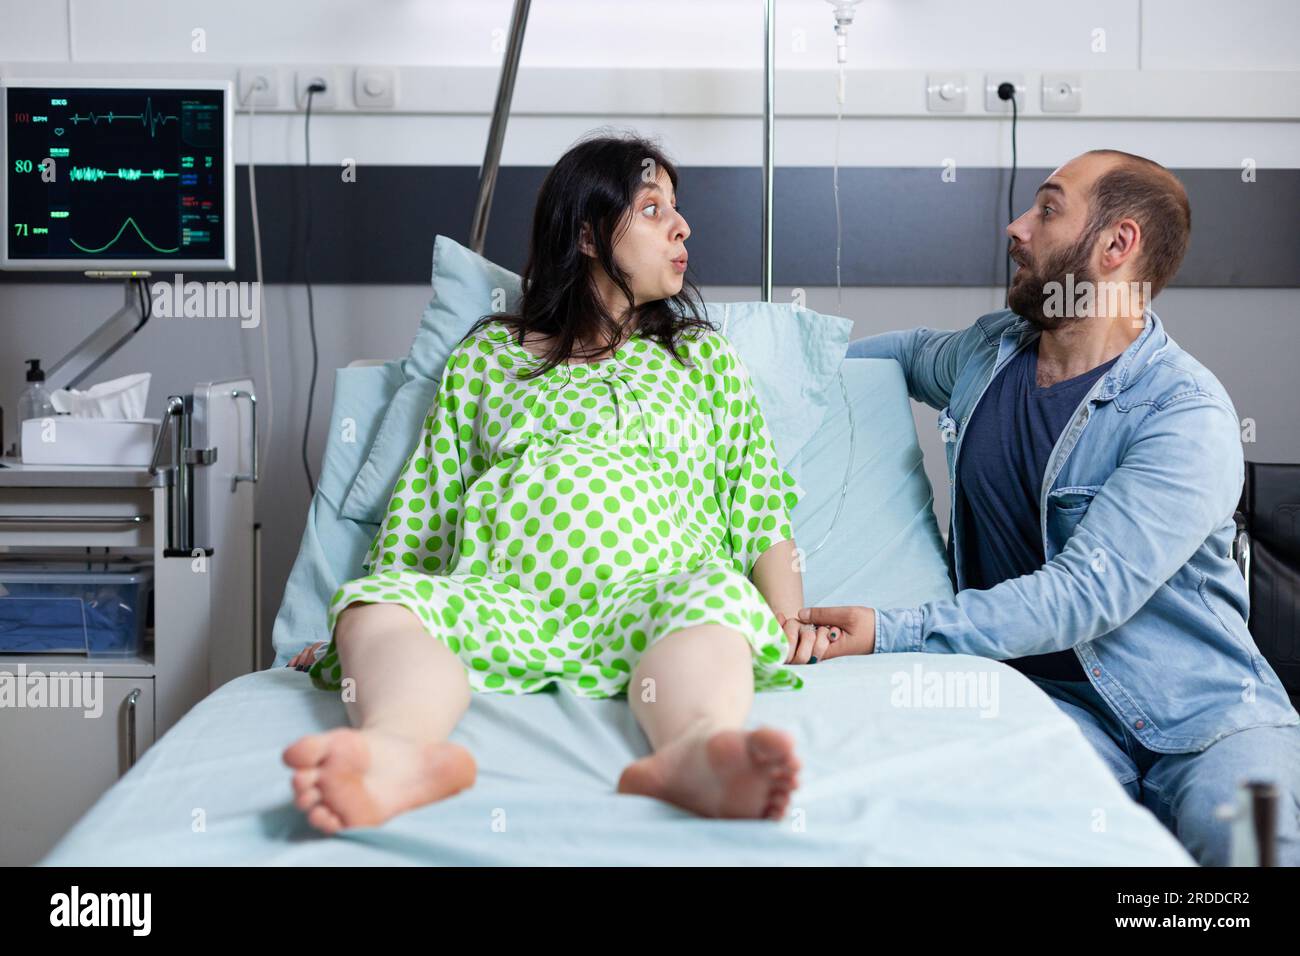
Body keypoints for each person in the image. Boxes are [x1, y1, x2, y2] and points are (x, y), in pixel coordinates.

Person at [283, 132, 814, 833]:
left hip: (657, 594)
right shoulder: (488, 356)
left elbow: (756, 499)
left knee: (715, 609)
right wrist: (366, 625)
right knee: (373, 607)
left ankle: (696, 752)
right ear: (590, 234)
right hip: (505, 601)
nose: (682, 226)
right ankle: (396, 751)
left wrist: (787, 618)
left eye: (676, 210)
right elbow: (429, 496)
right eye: (652, 208)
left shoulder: (700, 359)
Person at [791, 149, 1300, 865]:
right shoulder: (988, 355)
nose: (1016, 226)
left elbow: (1084, 595)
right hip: (1052, 712)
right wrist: (765, 362)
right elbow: (900, 355)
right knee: (1030, 842)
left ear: (1117, 244)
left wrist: (891, 631)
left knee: (1252, 852)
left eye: (1048, 208)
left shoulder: (1185, 414)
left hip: (1214, 719)